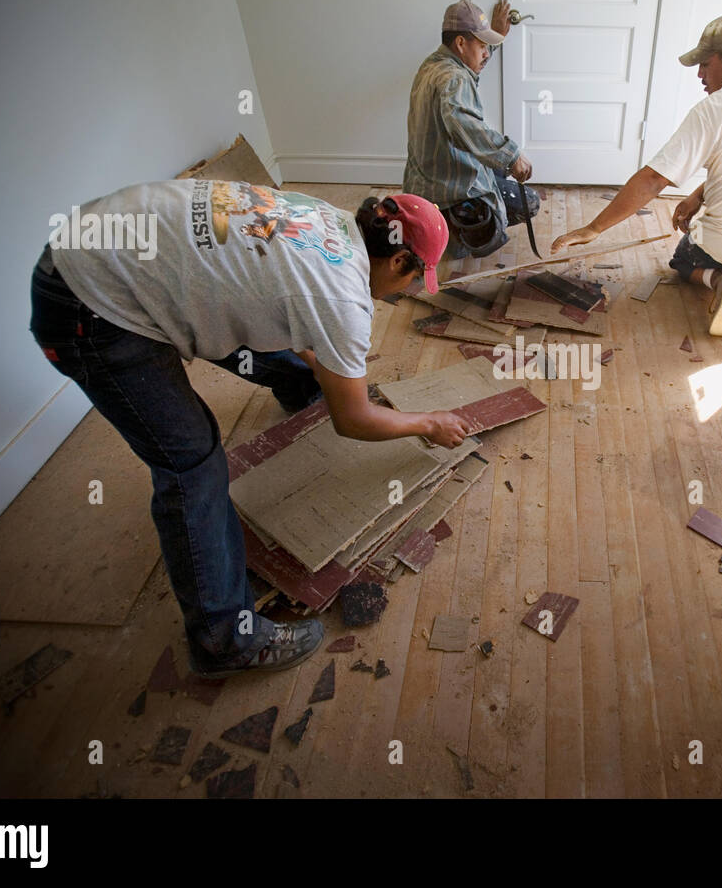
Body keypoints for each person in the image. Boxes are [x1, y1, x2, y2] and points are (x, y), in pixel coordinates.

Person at [29, 180, 470, 677]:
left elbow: (288, 307)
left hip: (92, 243)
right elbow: (354, 422)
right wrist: (427, 422)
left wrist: (330, 369)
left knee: (266, 325)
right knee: (191, 461)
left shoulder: (326, 219)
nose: (410, 289)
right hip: (91, 308)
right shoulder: (343, 298)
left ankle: (303, 392)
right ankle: (224, 639)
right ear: (397, 263)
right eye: (415, 279)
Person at [552, 12, 722, 336]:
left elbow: (653, 180)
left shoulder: (716, 108)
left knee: (683, 258)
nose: (700, 74)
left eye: (705, 64)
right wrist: (697, 194)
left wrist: (593, 228)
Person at [404, 0, 539, 259]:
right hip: (446, 192)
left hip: (425, 181)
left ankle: (444, 227)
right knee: (529, 201)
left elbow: (466, 75)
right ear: (461, 44)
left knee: (496, 166)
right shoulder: (453, 78)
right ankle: (455, 234)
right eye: (482, 45)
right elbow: (465, 122)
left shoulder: (434, 65)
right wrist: (512, 155)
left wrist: (495, 38)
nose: (486, 53)